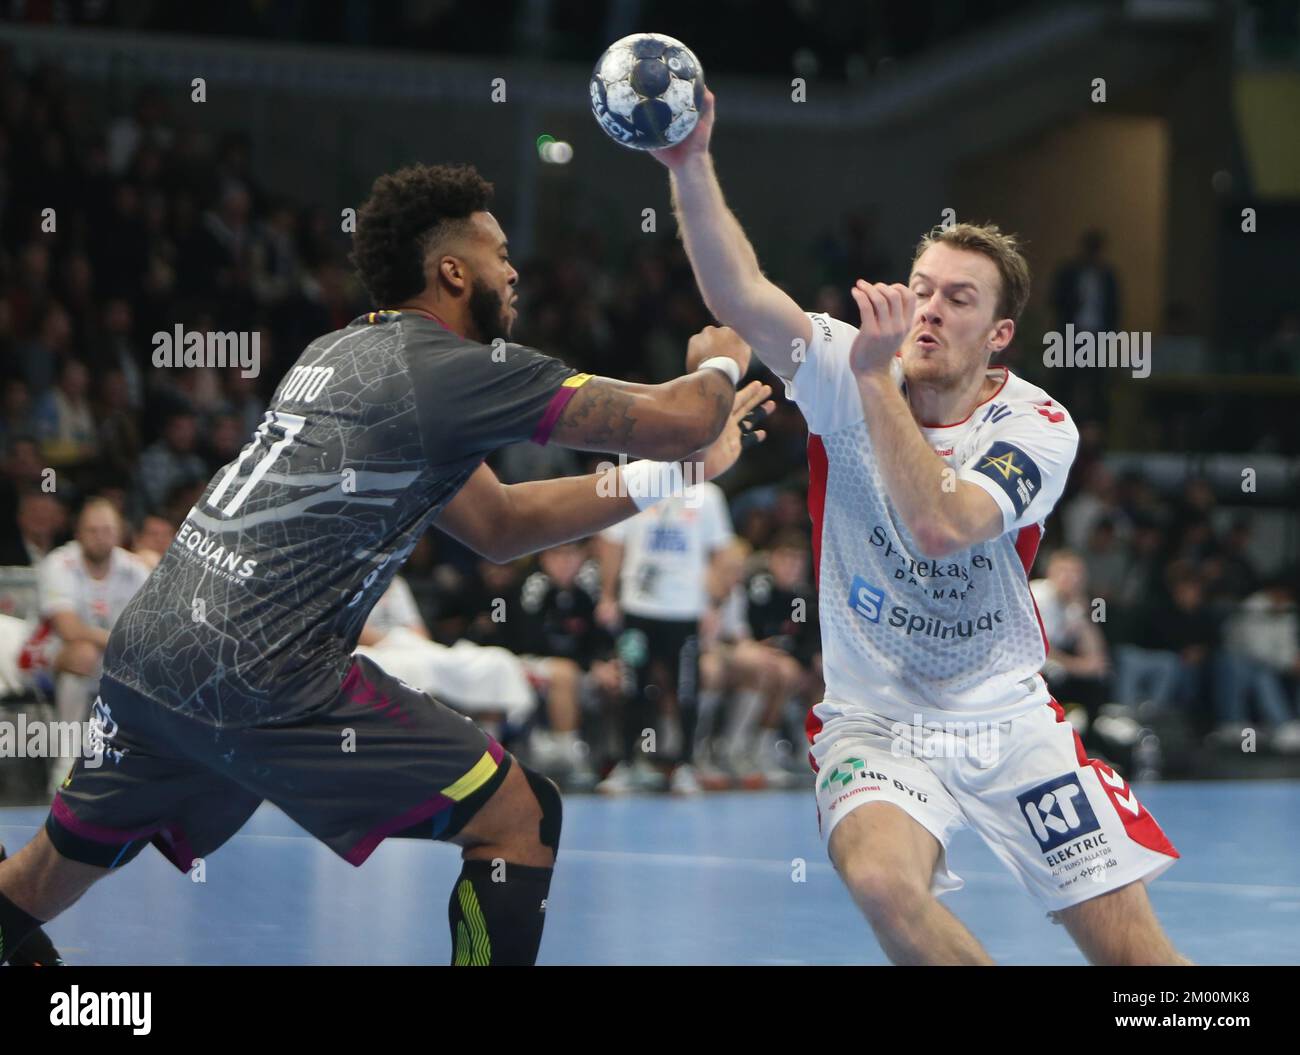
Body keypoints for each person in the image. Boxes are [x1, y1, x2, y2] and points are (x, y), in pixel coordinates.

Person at [0, 162, 770, 966]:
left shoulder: (338, 351)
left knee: (44, 873)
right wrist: (719, 360)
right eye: (499, 252)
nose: (513, 270)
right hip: (264, 665)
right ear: (452, 268)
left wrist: (681, 471)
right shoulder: (453, 369)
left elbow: (501, 522)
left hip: (149, 650)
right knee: (517, 818)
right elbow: (679, 416)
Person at [650, 92, 1185, 965]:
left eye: (959, 299)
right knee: (884, 882)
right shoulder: (842, 360)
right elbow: (739, 292)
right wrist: (690, 166)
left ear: (999, 334)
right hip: (874, 718)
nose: (930, 310)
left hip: (1006, 716)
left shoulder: (1036, 425)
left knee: (1139, 962)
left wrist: (871, 383)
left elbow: (942, 524)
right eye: (923, 288)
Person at [594, 476, 735, 795]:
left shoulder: (707, 494)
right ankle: (627, 763)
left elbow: (721, 552)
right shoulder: (636, 484)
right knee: (632, 687)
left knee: (687, 690)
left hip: (684, 612)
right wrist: (607, 594)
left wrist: (714, 603)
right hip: (637, 611)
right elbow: (613, 542)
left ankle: (684, 765)